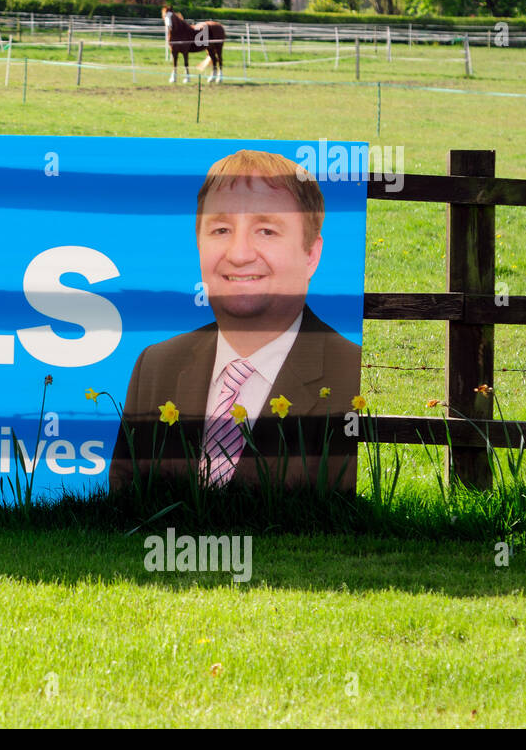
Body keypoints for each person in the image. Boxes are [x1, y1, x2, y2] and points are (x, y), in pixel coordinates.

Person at [108, 150, 362, 493]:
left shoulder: (355, 380)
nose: (239, 254)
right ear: (199, 244)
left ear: (311, 255)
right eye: (221, 229)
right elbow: (124, 505)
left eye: (266, 231)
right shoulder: (155, 367)